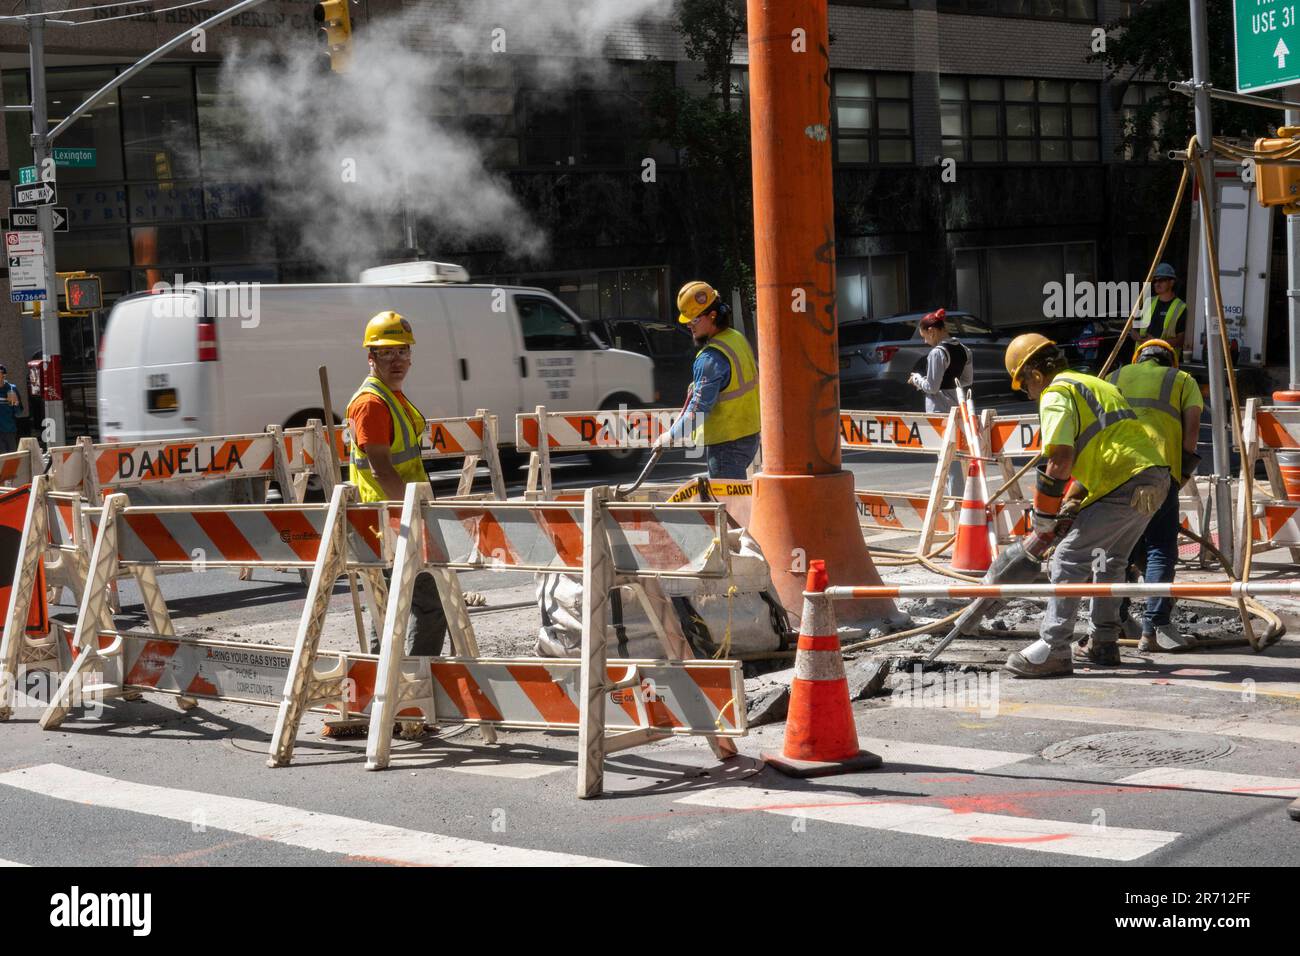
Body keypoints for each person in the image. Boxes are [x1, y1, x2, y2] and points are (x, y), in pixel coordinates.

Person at [1001, 333, 1171, 677]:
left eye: (1025, 386)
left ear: (1035, 375)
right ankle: (1104, 642)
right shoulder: (1094, 384)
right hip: (1152, 478)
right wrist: (1074, 499)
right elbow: (1100, 448)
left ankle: (1054, 647)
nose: (1028, 394)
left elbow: (1060, 458)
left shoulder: (1056, 393)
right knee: (1109, 561)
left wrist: (1044, 517)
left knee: (1068, 557)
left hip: (1122, 482)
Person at [346, 310, 447, 656]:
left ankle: (386, 690)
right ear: (371, 357)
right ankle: (416, 686)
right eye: (387, 352)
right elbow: (381, 470)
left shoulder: (390, 396)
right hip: (390, 521)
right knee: (428, 606)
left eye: (403, 351)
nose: (397, 360)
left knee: (388, 611)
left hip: (391, 519)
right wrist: (413, 518)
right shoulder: (372, 403)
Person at [1108, 338, 1203, 652]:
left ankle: (1118, 620)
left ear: (1139, 357)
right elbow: (1192, 430)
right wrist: (1183, 472)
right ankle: (1154, 627)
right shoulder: (1183, 380)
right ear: (1171, 361)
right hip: (1158, 473)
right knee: (1160, 546)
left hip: (1116, 472)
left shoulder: (1116, 377)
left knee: (1121, 546)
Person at [656, 280, 760, 479]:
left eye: (694, 319)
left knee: (728, 507)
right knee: (735, 502)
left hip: (726, 445)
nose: (688, 325)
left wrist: (671, 436)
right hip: (749, 437)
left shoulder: (709, 358)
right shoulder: (735, 338)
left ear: (712, 316)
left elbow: (698, 409)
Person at [907, 308, 973, 497]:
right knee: (958, 459)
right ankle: (960, 501)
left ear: (932, 331)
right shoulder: (964, 349)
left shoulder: (937, 353)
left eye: (924, 337)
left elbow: (932, 386)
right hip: (958, 409)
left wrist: (917, 379)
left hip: (940, 412)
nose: (924, 341)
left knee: (947, 463)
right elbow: (967, 380)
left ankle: (956, 504)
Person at [1129, 262, 1187, 360]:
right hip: (1141, 359)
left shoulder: (1180, 307)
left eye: (1162, 280)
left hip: (1165, 361)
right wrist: (1139, 338)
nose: (1157, 284)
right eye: (1155, 281)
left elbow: (1181, 340)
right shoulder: (1148, 302)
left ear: (1172, 282)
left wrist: (1155, 342)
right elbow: (1133, 330)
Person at [0, 365, 23, 454]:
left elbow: (19, 412)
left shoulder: (11, 389)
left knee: (11, 458)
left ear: (4, 376)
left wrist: (16, 402)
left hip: (9, 430)